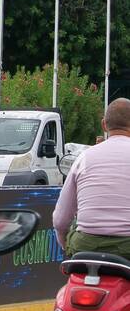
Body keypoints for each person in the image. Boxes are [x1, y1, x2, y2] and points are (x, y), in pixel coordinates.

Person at [53, 98, 130, 258]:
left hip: (86, 247)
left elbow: (60, 220)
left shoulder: (84, 157)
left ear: (104, 125)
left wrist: (65, 245)